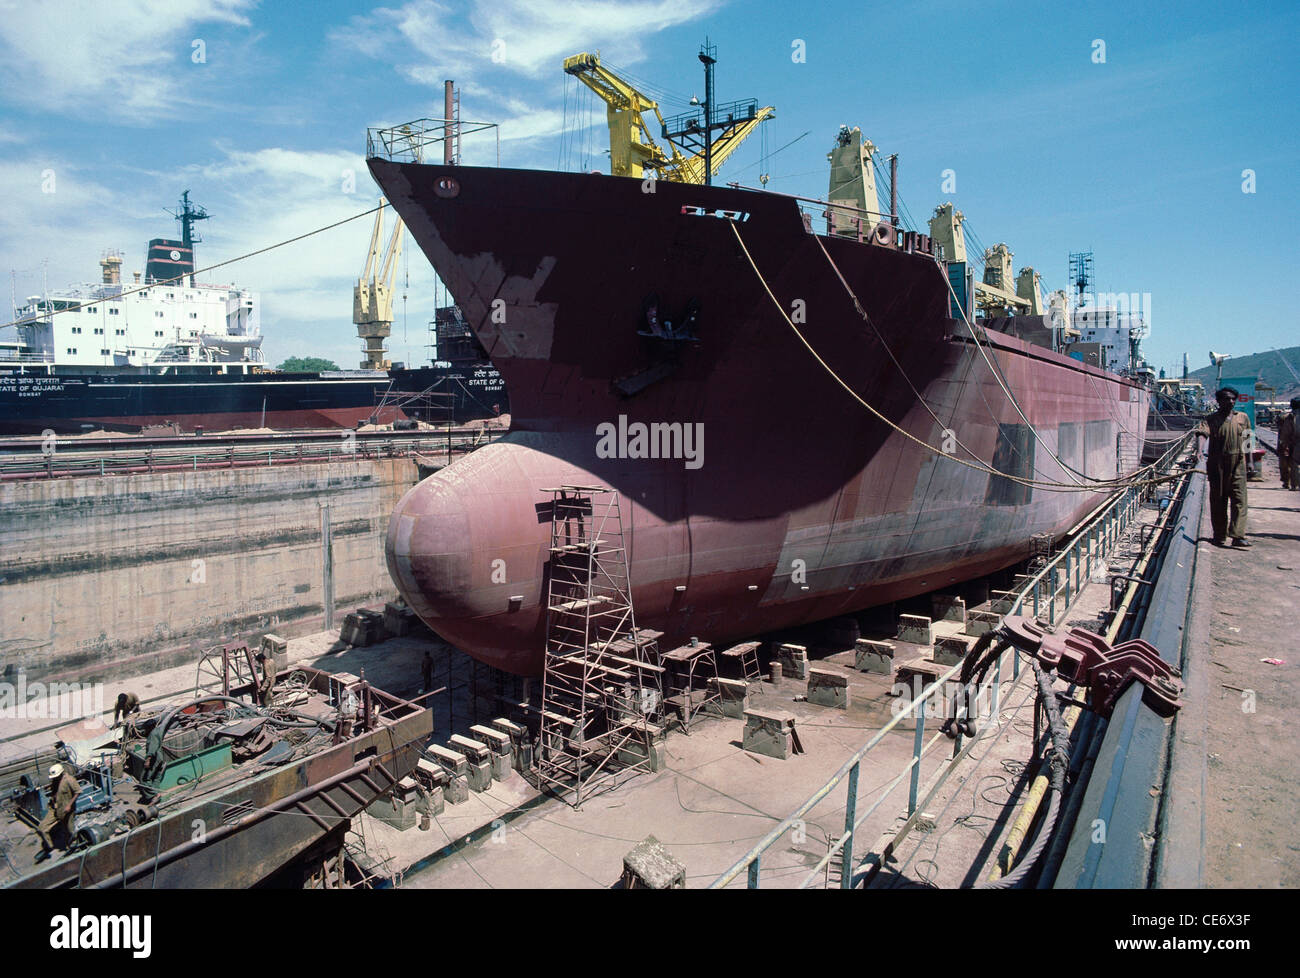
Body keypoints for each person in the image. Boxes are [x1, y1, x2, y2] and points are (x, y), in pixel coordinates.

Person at [1195, 387, 1251, 546]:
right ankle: (1219, 535)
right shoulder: (1211, 419)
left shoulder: (1243, 418)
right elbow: (1202, 433)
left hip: (1238, 463)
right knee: (1218, 500)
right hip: (1217, 463)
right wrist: (1199, 451)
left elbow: (1248, 440)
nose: (1231, 402)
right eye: (1227, 399)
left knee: (1240, 499)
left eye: (1233, 399)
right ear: (1219, 401)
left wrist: (1250, 462)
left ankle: (1238, 535)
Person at [34, 763, 80, 862]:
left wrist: (69, 805)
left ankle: (72, 846)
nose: (54, 778)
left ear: (61, 773)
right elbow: (55, 790)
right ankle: (49, 847)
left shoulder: (70, 780)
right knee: (42, 828)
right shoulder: (55, 780)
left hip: (66, 809)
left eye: (56, 776)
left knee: (69, 830)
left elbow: (78, 792)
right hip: (54, 808)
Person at [1278, 397, 1300, 490]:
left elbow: (1285, 433)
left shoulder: (1290, 417)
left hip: (1296, 444)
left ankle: (1295, 485)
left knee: (1295, 464)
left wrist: (1284, 444)